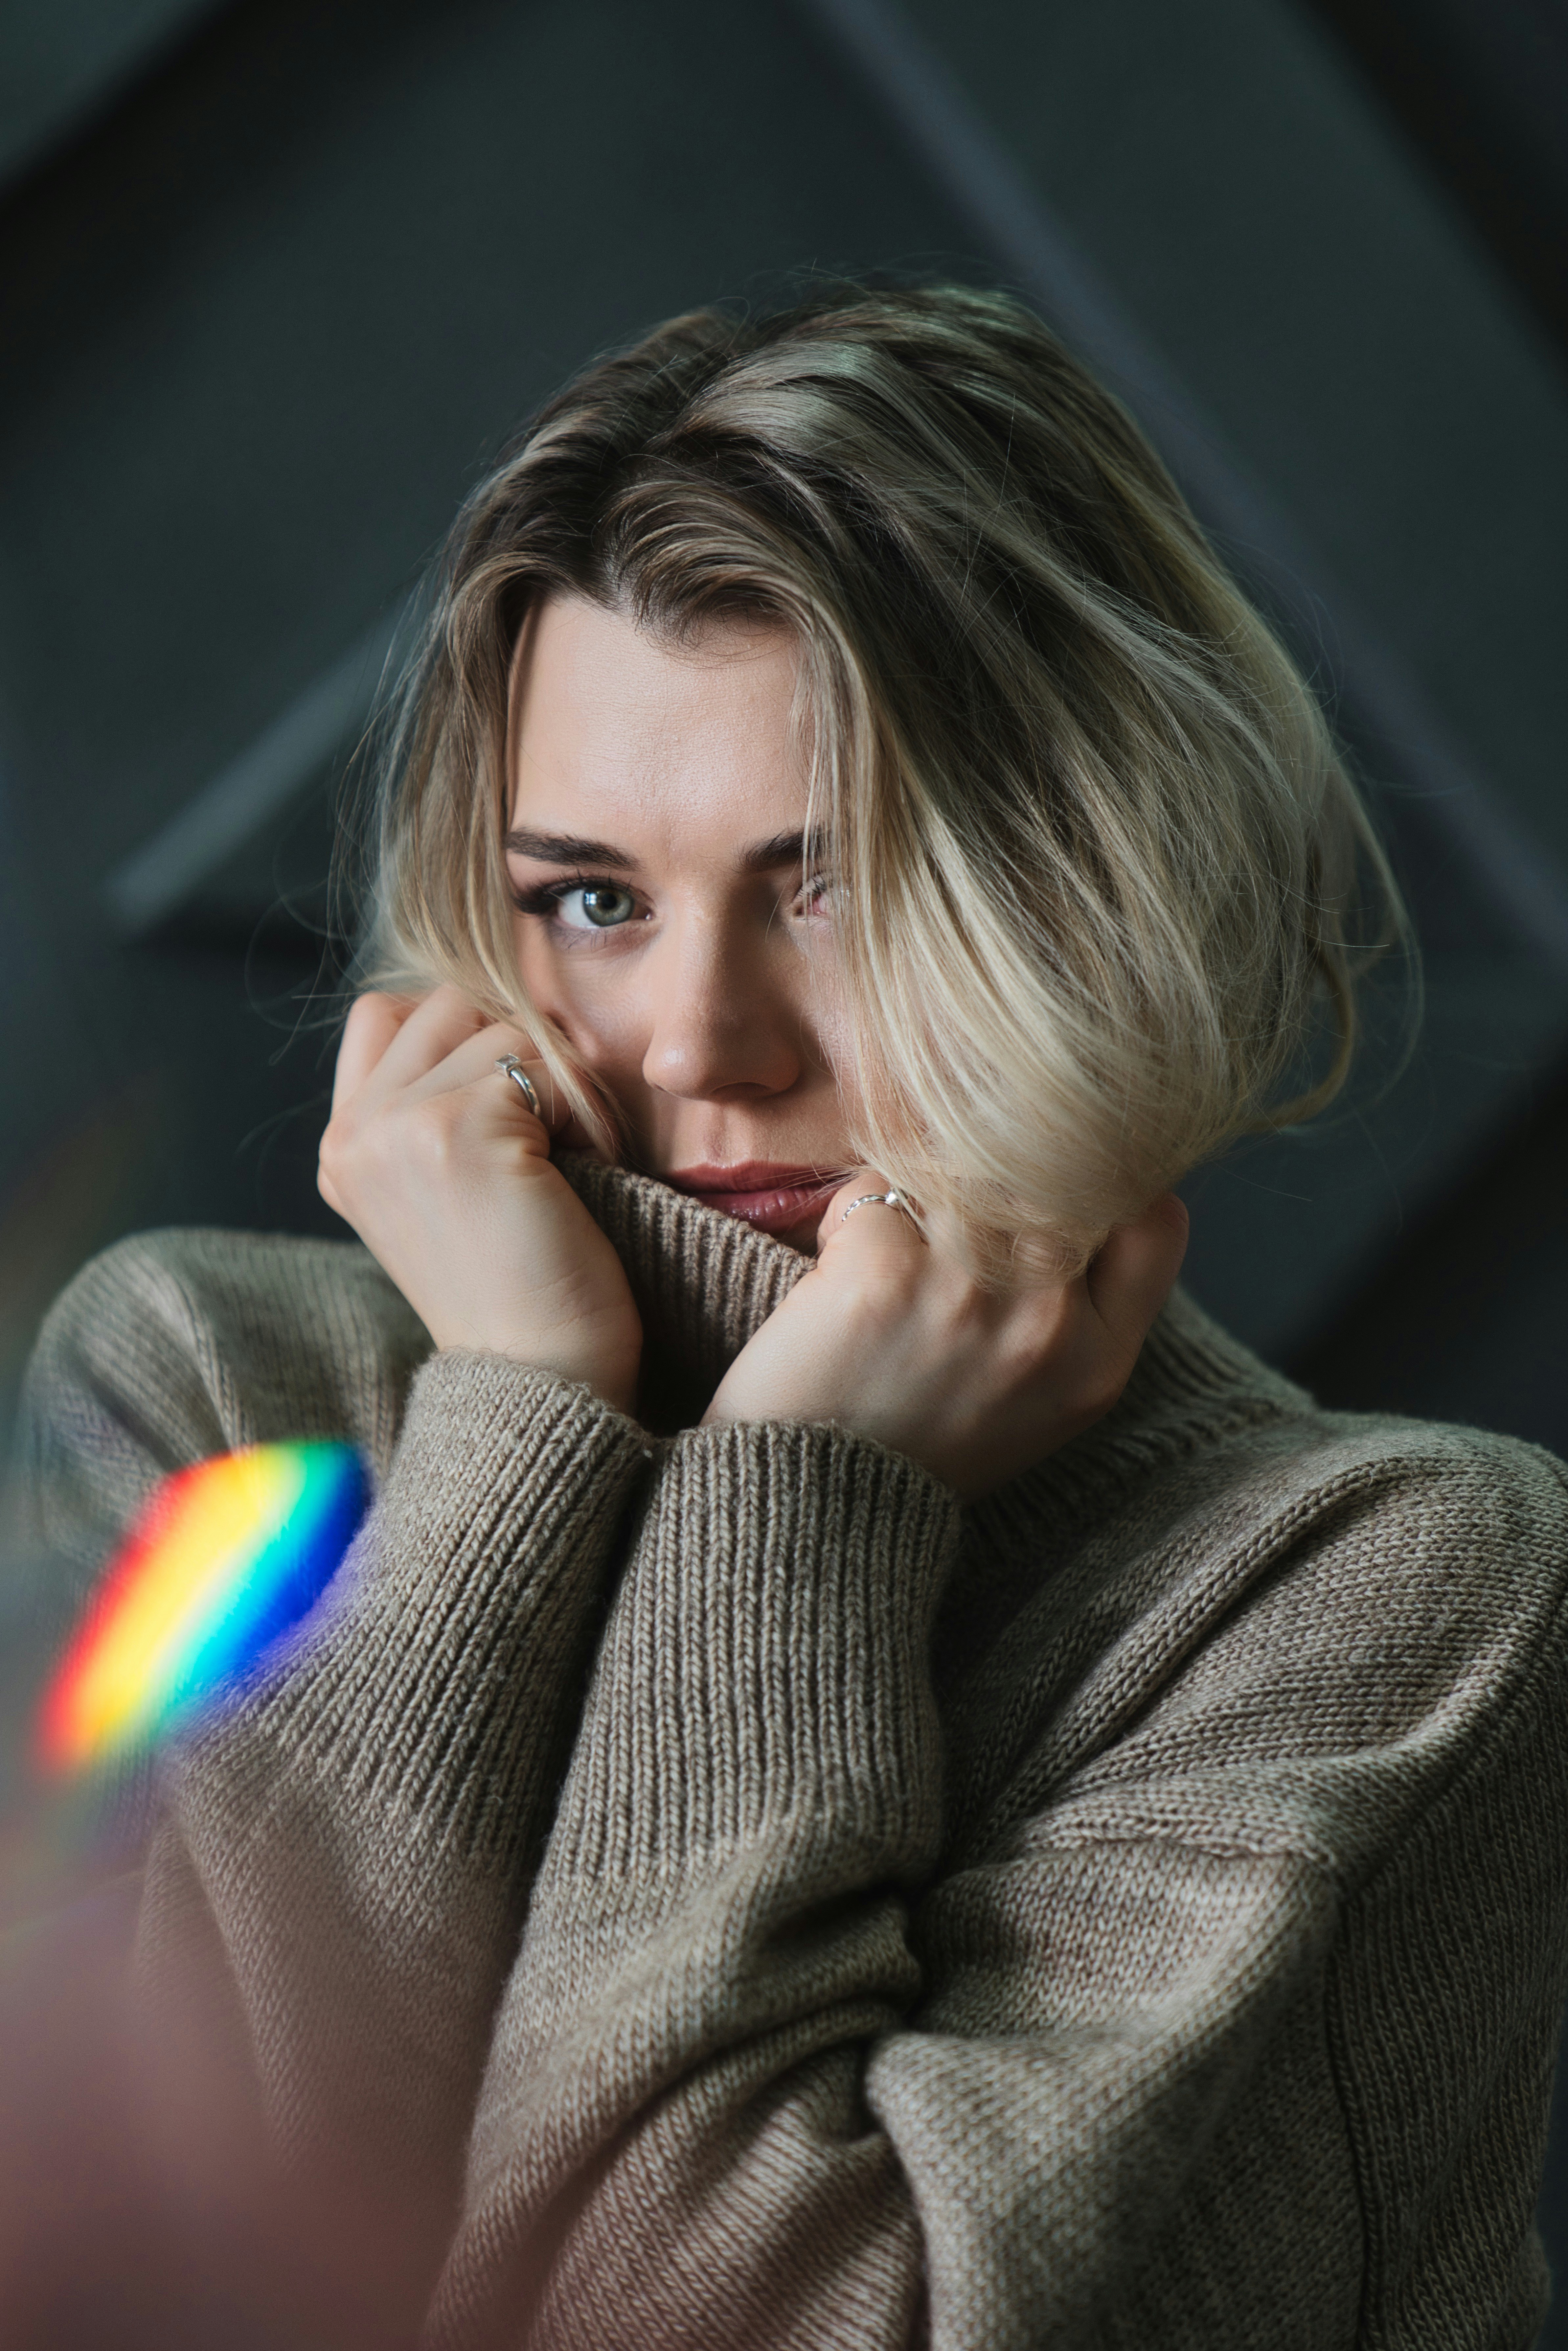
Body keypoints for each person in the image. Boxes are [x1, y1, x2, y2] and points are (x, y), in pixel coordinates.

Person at [15, 284, 1568, 2349]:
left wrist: (794, 1505)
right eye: (594, 896)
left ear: (1099, 878)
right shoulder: (211, 1392)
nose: (702, 1039)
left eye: (832, 883)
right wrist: (515, 1422)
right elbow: (167, 2289)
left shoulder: (1388, 1594)